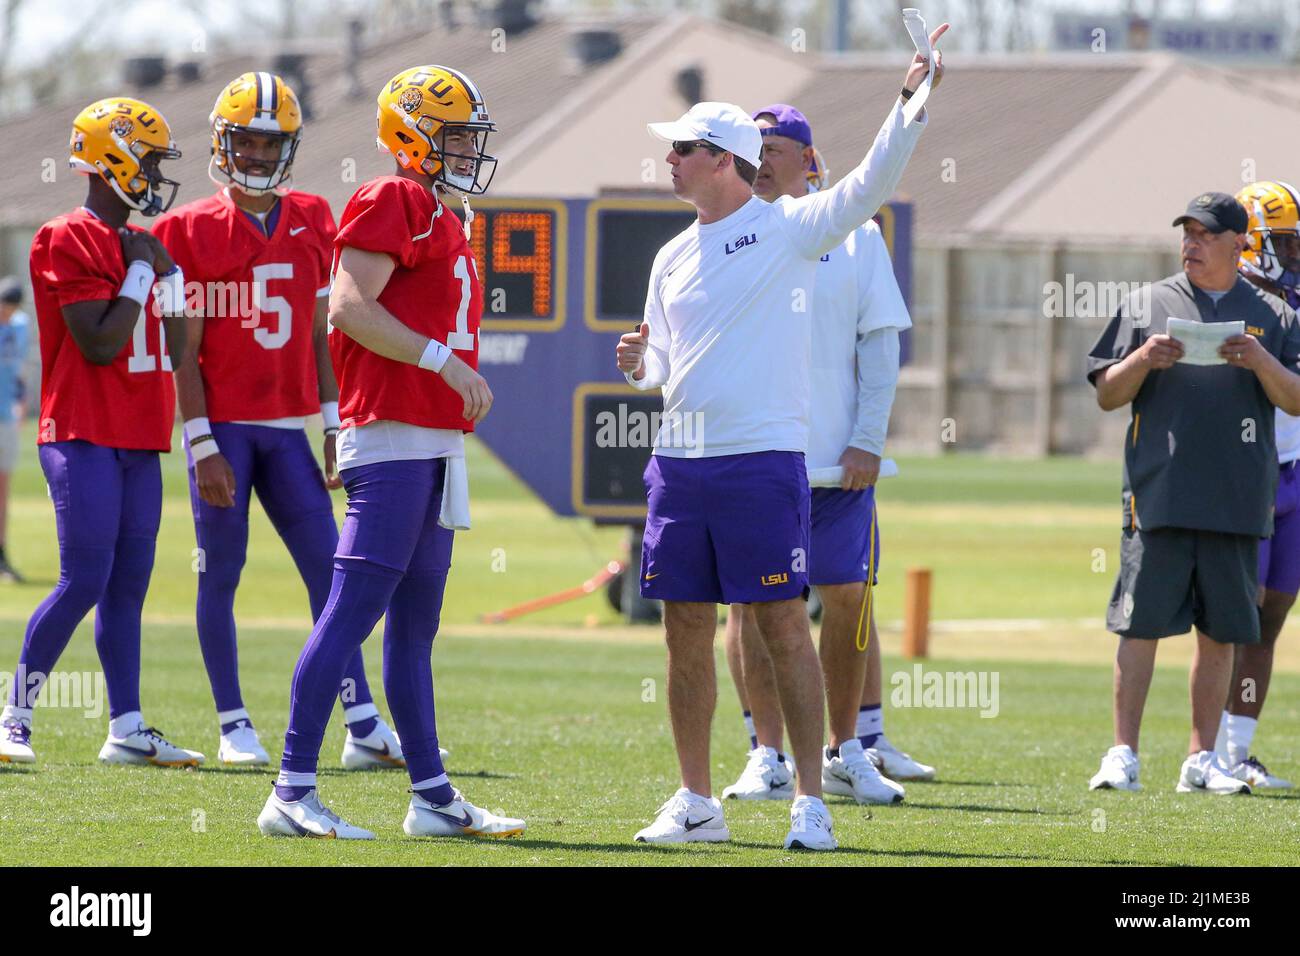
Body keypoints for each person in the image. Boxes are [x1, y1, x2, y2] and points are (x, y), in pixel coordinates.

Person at [617, 25, 946, 850]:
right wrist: (636, 363)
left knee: (780, 626)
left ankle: (810, 797)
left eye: (684, 149)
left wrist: (912, 96)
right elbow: (658, 363)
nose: (670, 159)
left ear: (723, 160)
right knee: (684, 629)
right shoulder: (669, 255)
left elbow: (871, 182)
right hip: (679, 466)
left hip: (762, 463)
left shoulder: (791, 227)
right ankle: (696, 801)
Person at [258, 65, 524, 839]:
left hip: (433, 443)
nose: (470, 150)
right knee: (350, 616)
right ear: (413, 134)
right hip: (395, 439)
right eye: (456, 135)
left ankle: (433, 796)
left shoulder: (444, 214)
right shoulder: (396, 197)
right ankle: (291, 790)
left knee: (414, 629)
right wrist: (444, 362)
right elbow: (345, 306)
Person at [153, 72, 405, 768]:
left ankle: (358, 722)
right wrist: (199, 442)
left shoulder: (316, 217)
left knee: (332, 573)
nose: (260, 156)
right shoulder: (185, 229)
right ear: (222, 140)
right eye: (248, 141)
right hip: (225, 429)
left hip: (286, 427)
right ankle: (234, 724)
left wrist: (335, 424)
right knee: (220, 573)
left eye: (272, 143)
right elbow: (183, 354)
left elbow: (330, 335)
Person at [719, 104, 932, 808]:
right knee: (750, 610)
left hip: (838, 464)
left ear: (810, 161)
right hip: (757, 459)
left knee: (847, 596)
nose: (765, 159)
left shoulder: (858, 236)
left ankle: (847, 749)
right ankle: (766, 753)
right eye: (756, 148)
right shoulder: (730, 235)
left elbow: (880, 340)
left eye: (778, 148)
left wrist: (869, 435)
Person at [0, 97, 204, 766]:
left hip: (140, 434)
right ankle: (14, 717)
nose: (153, 173)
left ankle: (126, 726)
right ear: (111, 155)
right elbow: (98, 343)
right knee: (84, 578)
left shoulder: (143, 244)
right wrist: (144, 269)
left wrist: (168, 280)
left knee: (128, 585)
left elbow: (178, 349)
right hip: (82, 429)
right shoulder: (67, 234)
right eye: (146, 158)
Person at [1086, 191, 1300, 795]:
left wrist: (1260, 360)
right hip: (1160, 494)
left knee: (1224, 632)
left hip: (1237, 498)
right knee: (1140, 626)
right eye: (1187, 233)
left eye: (1205, 235)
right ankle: (1123, 753)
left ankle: (1202, 759)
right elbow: (1106, 393)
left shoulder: (1274, 316)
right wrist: (1142, 361)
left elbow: (1295, 398)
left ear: (1238, 245)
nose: (1191, 244)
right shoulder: (1148, 302)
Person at [1209, 180, 1300, 789]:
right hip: (1243, 473)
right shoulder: (1221, 304)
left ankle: (1238, 750)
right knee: (1227, 622)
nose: (1294, 257)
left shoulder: (1292, 307)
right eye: (1286, 245)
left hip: (1295, 471)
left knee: (1271, 618)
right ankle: (1205, 754)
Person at [0, 276, 31, 583]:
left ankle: (1, 554)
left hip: (5, 415)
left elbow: (18, 367)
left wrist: (21, 399)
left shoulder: (20, 327)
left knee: (2, 489)